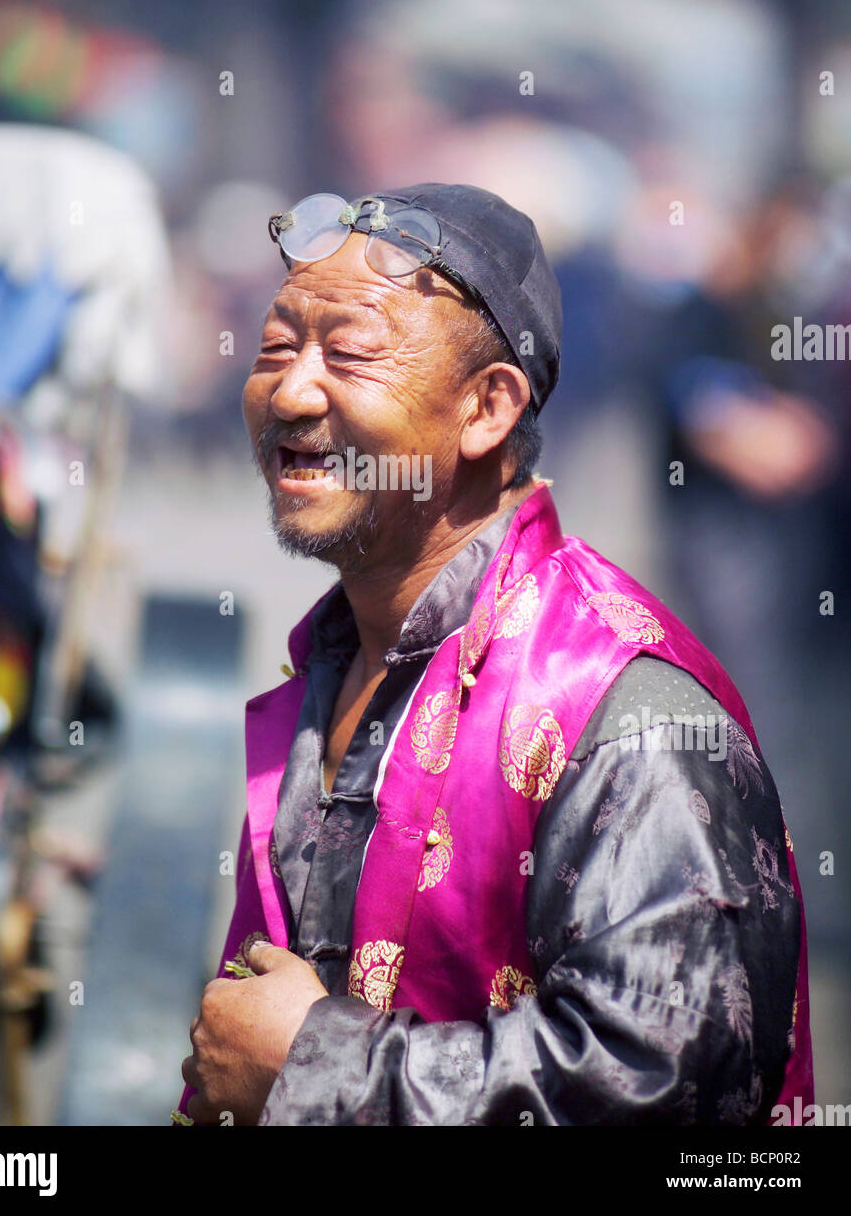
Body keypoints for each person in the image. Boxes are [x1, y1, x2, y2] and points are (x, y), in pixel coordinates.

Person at [176, 184, 813, 1127]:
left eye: (348, 353)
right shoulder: (331, 664)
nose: (291, 391)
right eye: (276, 347)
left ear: (485, 408)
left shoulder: (623, 710)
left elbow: (669, 1090)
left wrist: (318, 1069)